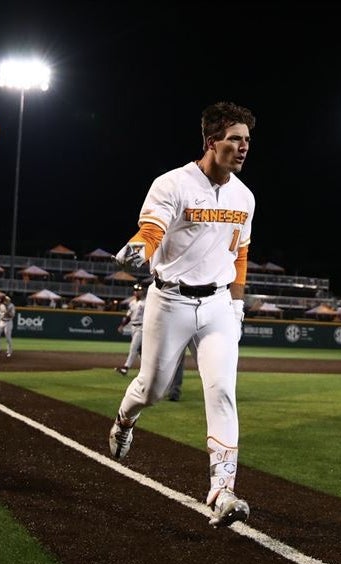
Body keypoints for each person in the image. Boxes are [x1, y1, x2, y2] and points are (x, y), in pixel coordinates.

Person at [109, 101, 256, 528]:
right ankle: (124, 421)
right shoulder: (172, 183)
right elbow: (151, 231)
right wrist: (138, 251)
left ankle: (222, 489)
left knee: (223, 391)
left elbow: (241, 254)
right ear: (212, 141)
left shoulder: (244, 196)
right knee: (151, 389)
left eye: (247, 140)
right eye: (235, 140)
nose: (244, 147)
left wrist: (237, 304)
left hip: (216, 308)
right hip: (169, 300)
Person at [115, 284, 146, 375]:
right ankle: (146, 369)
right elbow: (128, 316)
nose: (138, 292)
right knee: (140, 350)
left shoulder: (146, 303)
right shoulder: (132, 303)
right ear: (134, 292)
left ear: (142, 292)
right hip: (133, 327)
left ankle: (126, 367)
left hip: (142, 327)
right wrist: (122, 325)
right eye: (136, 290)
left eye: (139, 290)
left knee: (133, 347)